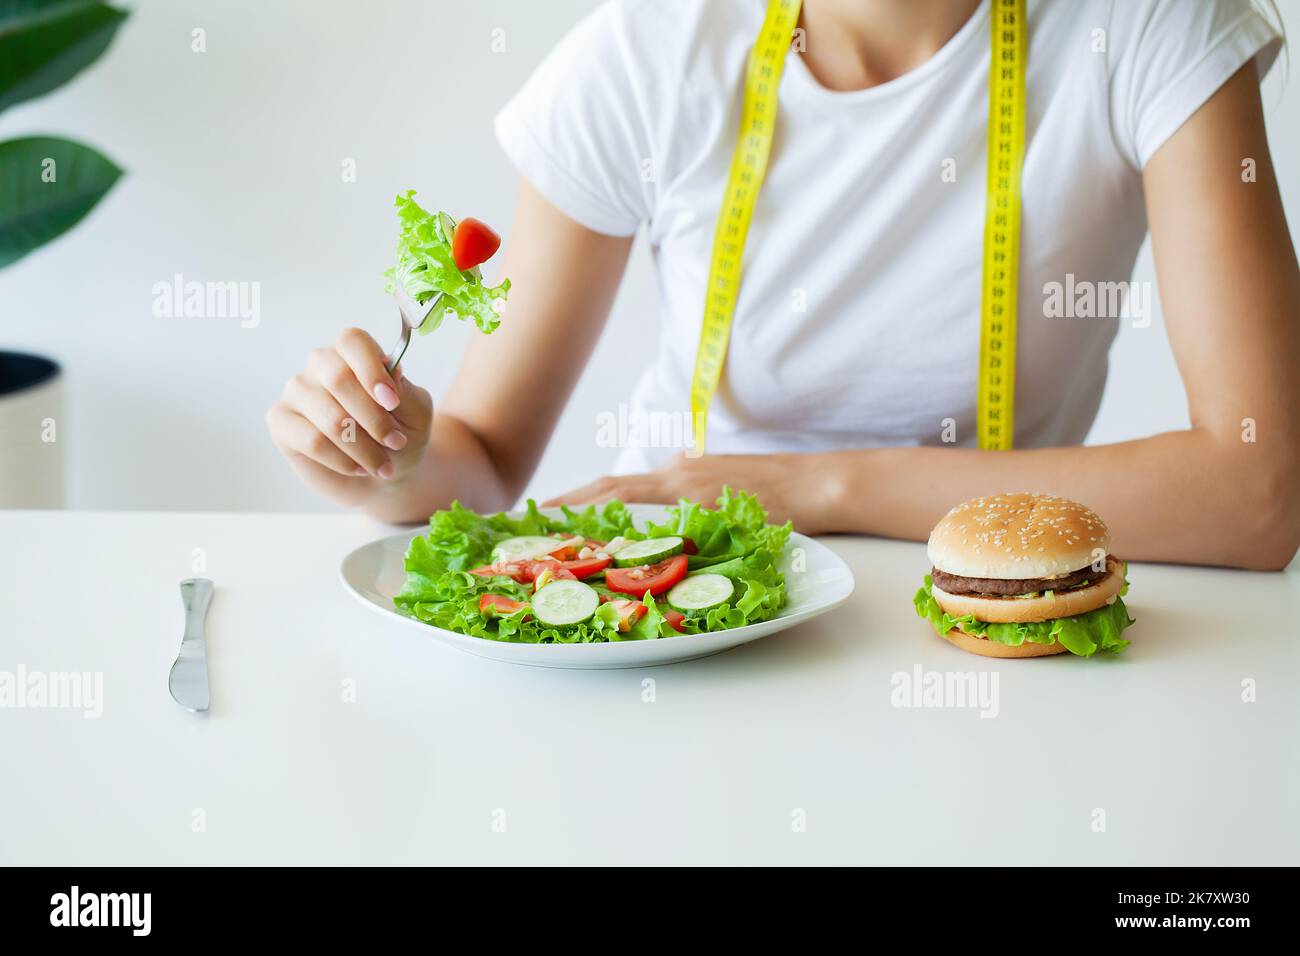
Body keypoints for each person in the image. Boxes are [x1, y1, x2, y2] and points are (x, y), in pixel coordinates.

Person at [266, 0, 1300, 570]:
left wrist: (811, 488)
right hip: (674, 607)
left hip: (977, 618)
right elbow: (482, 464)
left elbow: (1260, 490)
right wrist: (382, 461)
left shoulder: (1153, 25)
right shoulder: (650, 53)